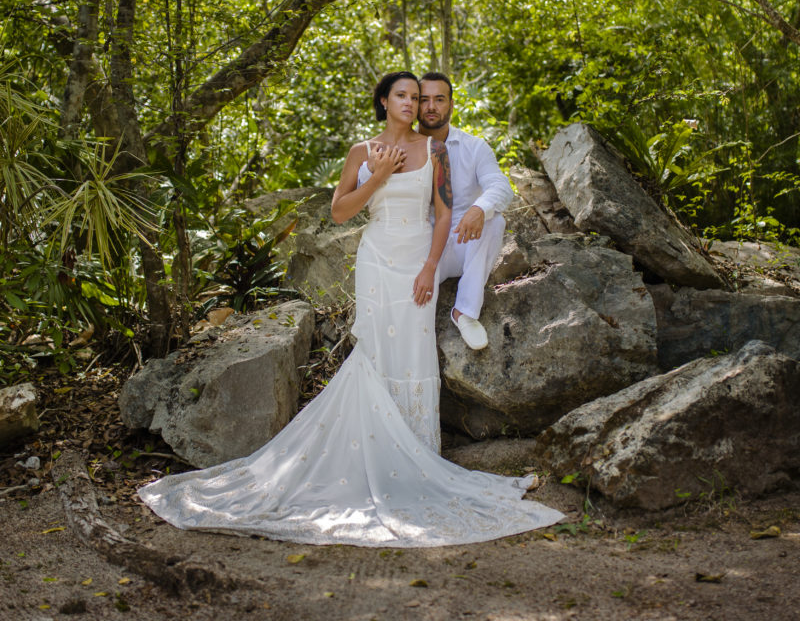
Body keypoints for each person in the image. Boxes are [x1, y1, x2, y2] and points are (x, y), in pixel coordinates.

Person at [137, 71, 563, 547]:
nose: (411, 103)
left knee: (414, 357)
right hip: (377, 259)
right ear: (384, 101)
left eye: (417, 97)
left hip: (416, 260)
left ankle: (415, 459)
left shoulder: (435, 151)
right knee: (376, 355)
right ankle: (372, 461)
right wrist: (378, 176)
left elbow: (443, 214)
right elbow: (340, 212)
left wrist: (429, 267)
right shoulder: (362, 152)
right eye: (402, 95)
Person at [359, 72, 513, 349]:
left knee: (494, 220)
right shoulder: (398, 149)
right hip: (420, 249)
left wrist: (479, 208)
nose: (431, 107)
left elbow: (500, 186)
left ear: (451, 105)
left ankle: (464, 312)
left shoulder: (474, 147)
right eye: (424, 100)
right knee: (400, 321)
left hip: (465, 241)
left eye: (439, 100)